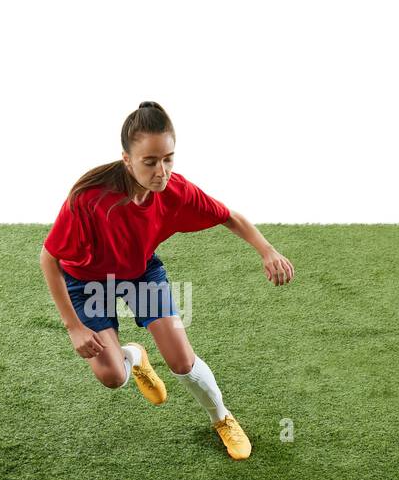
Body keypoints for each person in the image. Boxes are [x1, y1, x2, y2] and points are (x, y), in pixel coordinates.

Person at [38, 101, 295, 460]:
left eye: (169, 159)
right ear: (127, 159)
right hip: (85, 282)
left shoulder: (176, 192)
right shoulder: (89, 200)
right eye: (150, 161)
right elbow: (49, 258)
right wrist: (72, 327)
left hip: (140, 275)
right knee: (113, 377)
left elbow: (228, 216)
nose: (162, 171)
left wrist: (267, 250)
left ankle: (222, 418)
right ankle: (133, 357)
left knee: (181, 361)